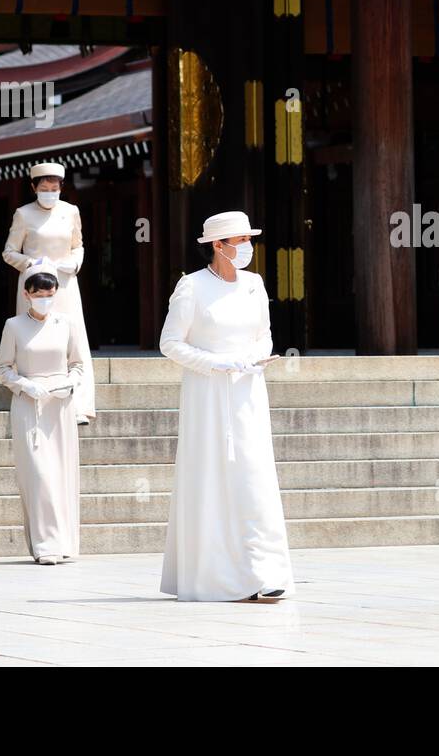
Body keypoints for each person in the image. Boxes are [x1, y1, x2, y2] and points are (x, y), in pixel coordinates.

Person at [159, 210, 293, 602]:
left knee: (253, 476)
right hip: (208, 392)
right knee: (213, 474)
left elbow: (265, 334)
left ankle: (264, 571)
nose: (248, 248)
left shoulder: (254, 284)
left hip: (248, 391)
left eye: (250, 240)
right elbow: (170, 343)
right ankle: (215, 575)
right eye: (240, 242)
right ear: (218, 246)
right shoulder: (192, 287)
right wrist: (216, 363)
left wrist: (254, 359)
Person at [0, 259, 85, 565]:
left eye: (50, 294)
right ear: (27, 293)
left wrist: (71, 382)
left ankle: (64, 541)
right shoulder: (14, 325)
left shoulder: (66, 324)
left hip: (59, 404)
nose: (45, 299)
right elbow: (4, 368)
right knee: (38, 474)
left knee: (61, 472)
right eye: (39, 294)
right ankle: (44, 544)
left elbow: (78, 363)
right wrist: (24, 385)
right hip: (29, 405)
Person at [1, 162, 95, 424]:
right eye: (44, 188)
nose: (50, 193)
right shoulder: (23, 214)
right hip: (35, 283)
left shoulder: (70, 211)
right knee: (35, 339)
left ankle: (77, 405)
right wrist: (32, 264)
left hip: (64, 284)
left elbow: (79, 246)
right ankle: (33, 395)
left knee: (71, 339)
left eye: (55, 188)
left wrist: (74, 263)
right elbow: (9, 252)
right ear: (34, 188)